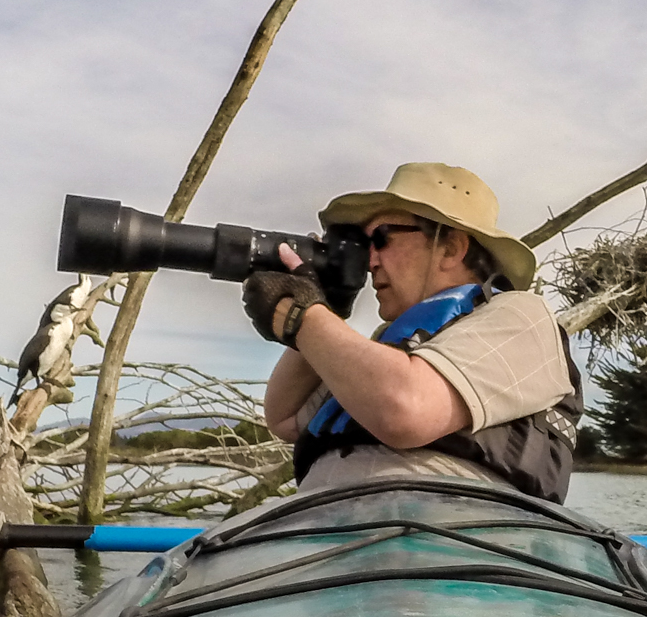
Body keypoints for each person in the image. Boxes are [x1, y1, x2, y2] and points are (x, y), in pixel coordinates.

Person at [243, 162, 584, 502]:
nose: (369, 262)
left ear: (450, 248)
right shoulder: (392, 346)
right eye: (364, 246)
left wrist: (304, 317)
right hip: (331, 523)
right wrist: (326, 306)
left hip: (448, 530)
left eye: (381, 239)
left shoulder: (520, 315)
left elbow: (406, 410)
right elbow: (285, 417)